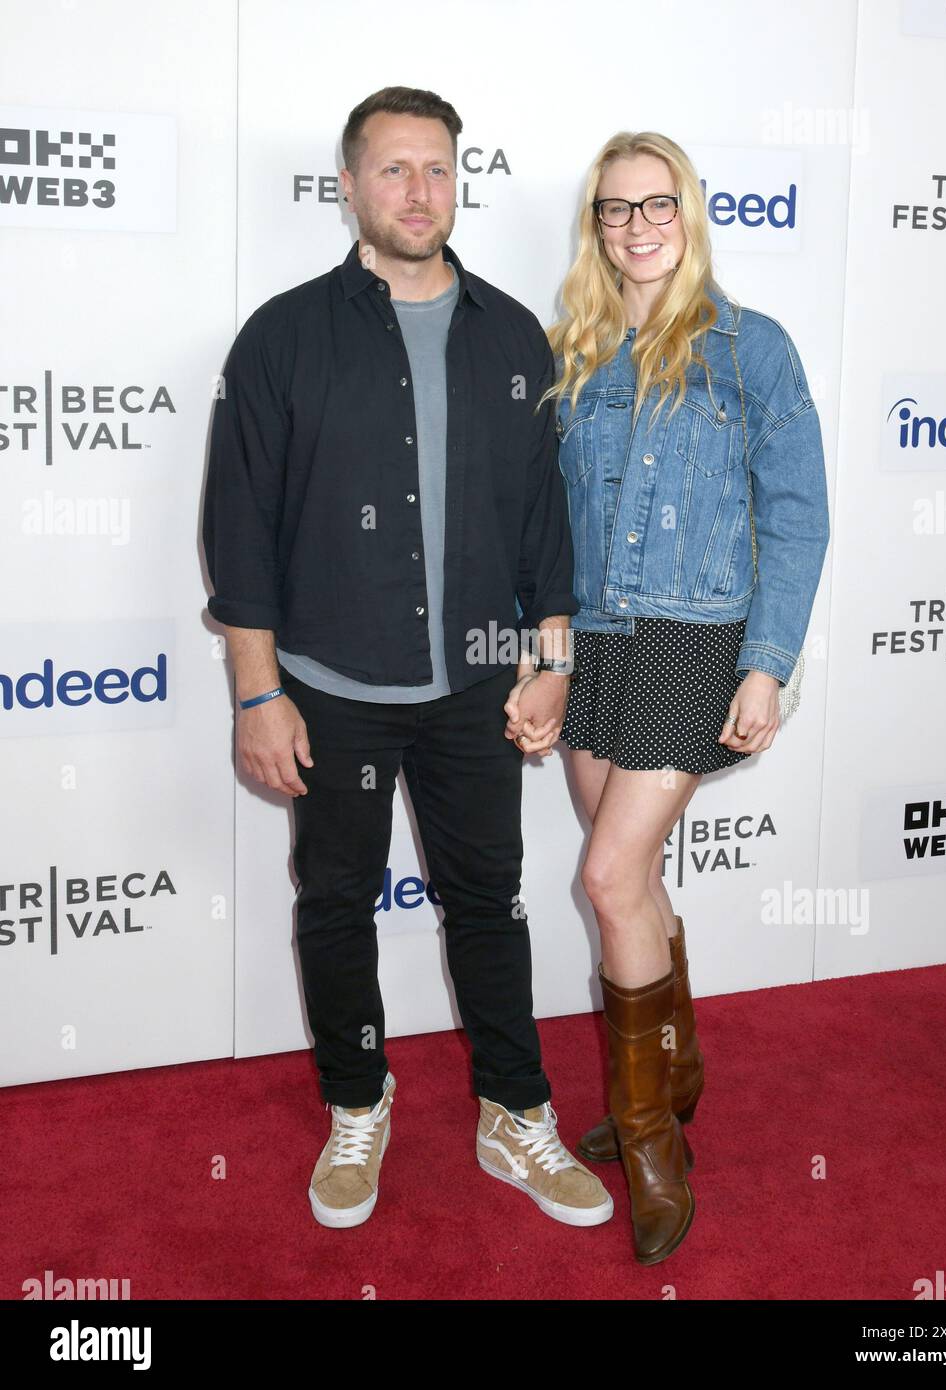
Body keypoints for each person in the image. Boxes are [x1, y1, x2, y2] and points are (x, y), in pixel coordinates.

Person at [202, 86, 613, 1232]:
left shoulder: (511, 334)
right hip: (330, 692)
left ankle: (511, 1110)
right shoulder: (282, 336)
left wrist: (553, 662)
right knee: (334, 902)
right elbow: (239, 533)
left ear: (455, 182)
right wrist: (258, 692)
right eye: (392, 170)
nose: (418, 192)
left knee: (488, 900)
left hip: (480, 689)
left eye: (435, 169)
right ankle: (355, 1096)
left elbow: (543, 526)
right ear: (347, 186)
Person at [510, 131, 830, 1264]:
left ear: (689, 214)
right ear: (594, 226)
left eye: (655, 204)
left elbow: (796, 513)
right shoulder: (576, 351)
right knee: (629, 879)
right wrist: (545, 654)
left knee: (602, 874)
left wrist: (766, 662)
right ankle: (675, 1073)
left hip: (696, 641)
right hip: (592, 643)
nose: (635, 226)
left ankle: (648, 1139)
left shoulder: (752, 351)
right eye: (612, 209)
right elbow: (543, 532)